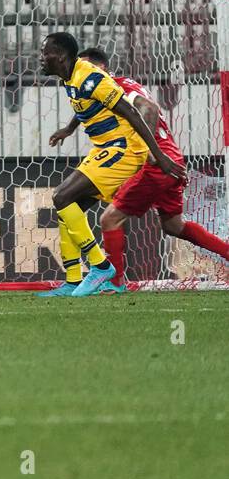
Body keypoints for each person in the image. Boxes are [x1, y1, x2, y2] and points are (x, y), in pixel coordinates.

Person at [49, 47, 229, 292]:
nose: (82, 72)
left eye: (87, 67)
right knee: (174, 226)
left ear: (100, 68)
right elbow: (82, 106)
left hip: (156, 162)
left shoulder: (117, 87)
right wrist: (69, 129)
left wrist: (151, 155)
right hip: (172, 158)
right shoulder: (103, 88)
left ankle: (114, 283)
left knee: (109, 219)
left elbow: (149, 109)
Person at [35, 33, 185, 298]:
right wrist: (68, 129)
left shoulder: (90, 78)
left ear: (60, 56)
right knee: (69, 209)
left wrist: (159, 156)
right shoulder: (70, 78)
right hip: (106, 147)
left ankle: (101, 266)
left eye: (44, 53)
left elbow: (133, 113)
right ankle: (72, 280)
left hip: (124, 149)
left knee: (61, 197)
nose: (40, 58)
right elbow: (84, 104)